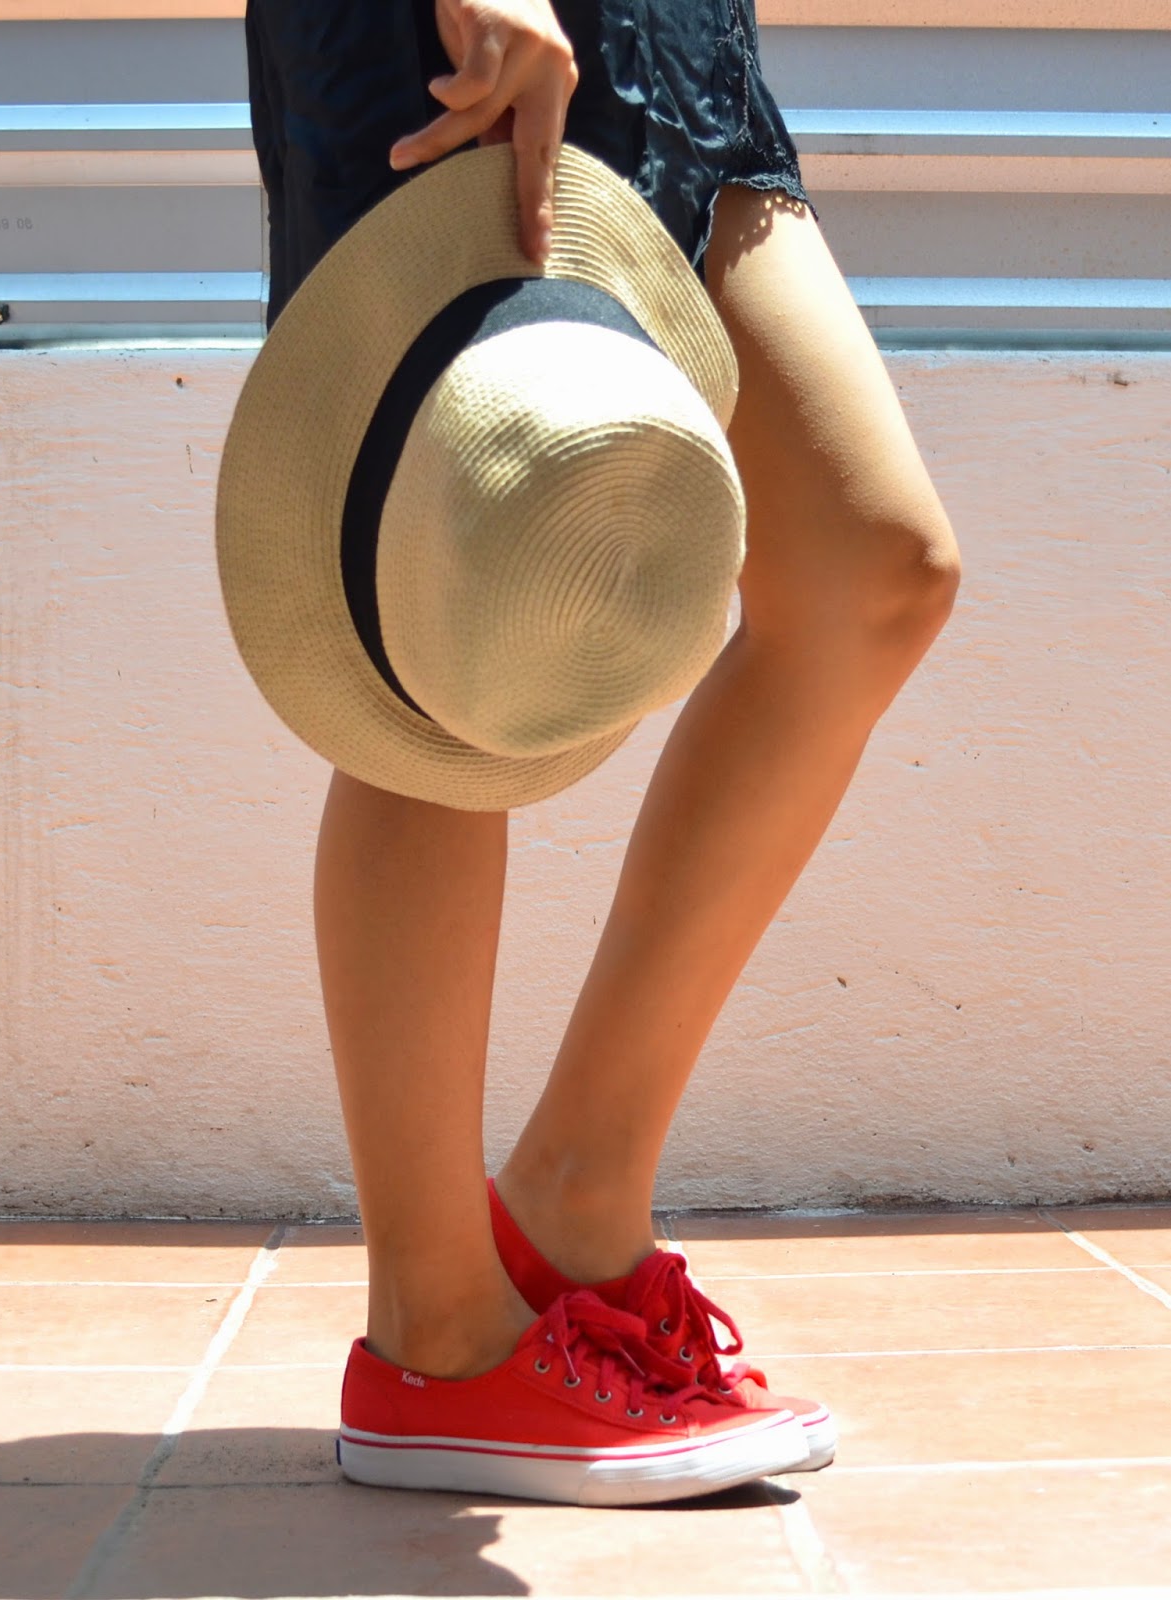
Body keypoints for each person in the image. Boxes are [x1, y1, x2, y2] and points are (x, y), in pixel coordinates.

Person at [236, 0, 961, 1503]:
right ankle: (433, 1328)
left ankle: (574, 1196)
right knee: (441, 601)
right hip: (455, 27)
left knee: (871, 569)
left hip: (672, 32)